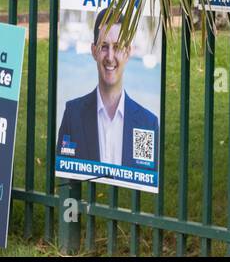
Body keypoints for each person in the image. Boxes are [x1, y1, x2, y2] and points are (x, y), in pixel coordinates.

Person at [56, 10, 159, 169]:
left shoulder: (147, 123)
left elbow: (146, 176)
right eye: (104, 46)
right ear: (93, 51)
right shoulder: (72, 114)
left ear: (128, 51)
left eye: (117, 47)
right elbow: (65, 175)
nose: (110, 57)